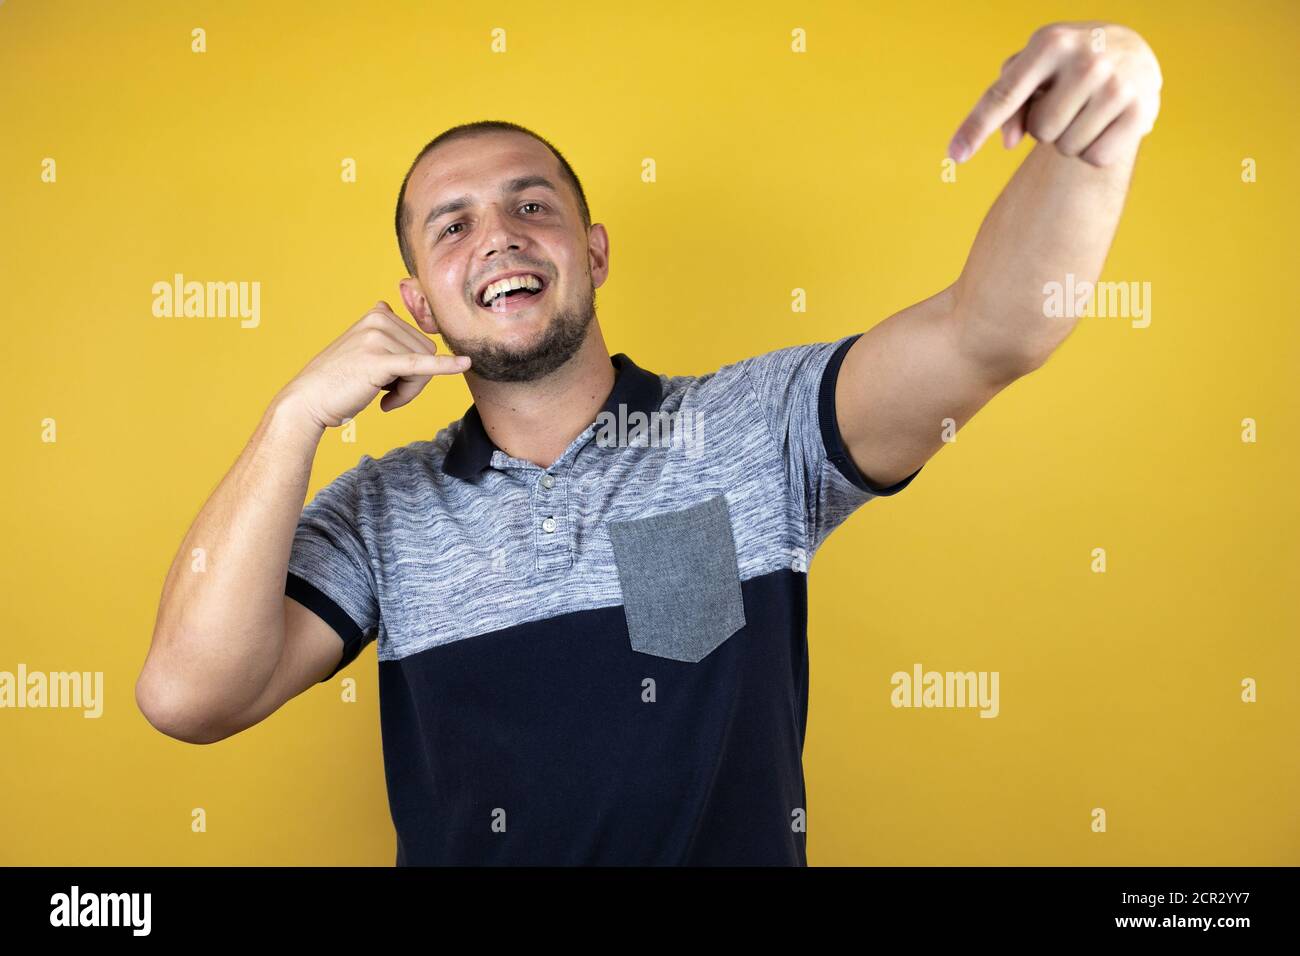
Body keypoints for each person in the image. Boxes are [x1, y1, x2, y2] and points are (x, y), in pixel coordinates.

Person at [137, 20, 1162, 865]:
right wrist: (293, 416)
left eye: (530, 205)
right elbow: (186, 697)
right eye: (450, 225)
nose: (495, 234)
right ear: (418, 302)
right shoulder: (378, 514)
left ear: (591, 250)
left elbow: (993, 330)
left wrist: (1099, 131)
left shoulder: (753, 431)